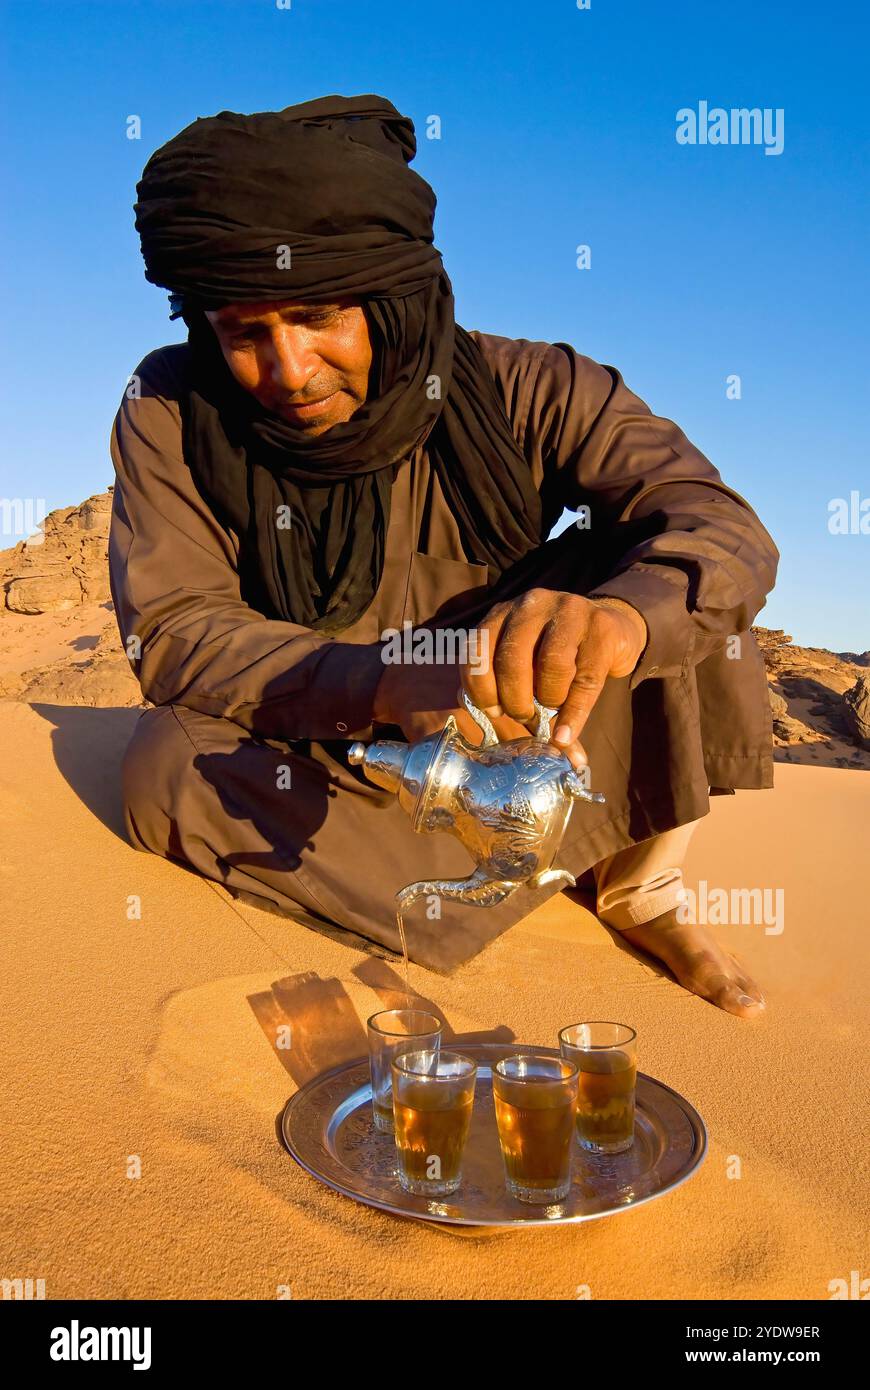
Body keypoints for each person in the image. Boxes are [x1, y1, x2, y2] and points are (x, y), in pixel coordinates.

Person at [110, 94, 779, 1017]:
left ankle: (634, 888)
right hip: (338, 734)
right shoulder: (171, 408)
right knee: (164, 769)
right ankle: (524, 864)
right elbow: (178, 631)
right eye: (244, 334)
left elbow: (716, 521)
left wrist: (619, 620)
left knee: (682, 592)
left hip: (524, 722)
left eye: (319, 318)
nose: (290, 369)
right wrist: (384, 681)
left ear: (392, 299)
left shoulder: (532, 384)